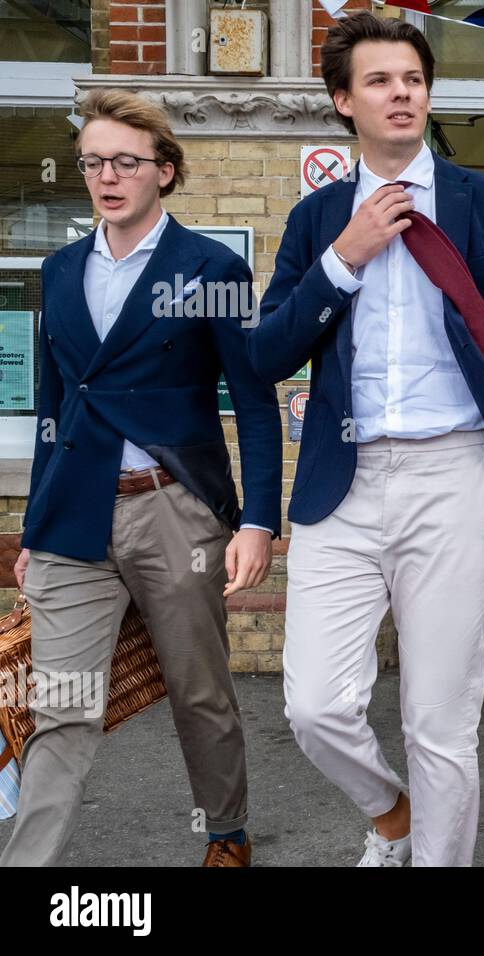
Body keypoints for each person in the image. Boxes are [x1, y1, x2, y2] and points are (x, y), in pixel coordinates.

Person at [247, 12, 484, 867]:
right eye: (380, 81)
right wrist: (343, 260)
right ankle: (390, 812)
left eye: (414, 79)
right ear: (342, 100)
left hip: (455, 475)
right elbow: (267, 353)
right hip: (341, 483)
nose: (401, 94)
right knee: (316, 707)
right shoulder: (319, 217)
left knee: (440, 723)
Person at [0, 90, 282, 867]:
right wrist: (36, 528)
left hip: (175, 510)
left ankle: (226, 833)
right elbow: (55, 407)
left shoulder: (212, 268)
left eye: (125, 161)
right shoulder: (60, 270)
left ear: (165, 170)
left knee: (199, 693)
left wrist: (258, 520)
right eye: (92, 162)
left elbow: (255, 404)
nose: (107, 176)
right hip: (75, 517)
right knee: (61, 707)